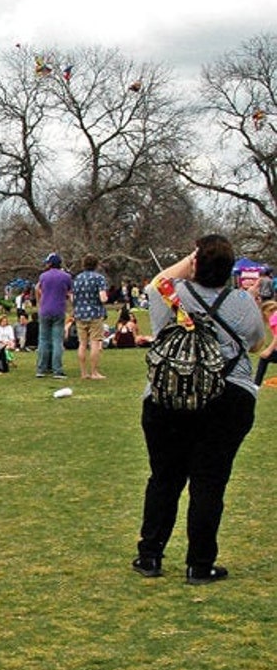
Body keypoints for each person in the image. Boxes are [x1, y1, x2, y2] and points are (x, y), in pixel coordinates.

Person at [134, 235, 265, 584]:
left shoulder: (170, 295)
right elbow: (256, 343)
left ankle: (150, 555)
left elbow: (154, 284)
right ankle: (200, 562)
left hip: (168, 399)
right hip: (227, 398)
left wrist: (189, 262)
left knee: (164, 478)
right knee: (209, 483)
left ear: (194, 263)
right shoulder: (241, 302)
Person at [72, 255, 109, 380]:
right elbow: (103, 297)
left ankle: (84, 372)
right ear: (96, 265)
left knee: (82, 343)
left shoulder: (77, 278)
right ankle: (94, 372)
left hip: (80, 313)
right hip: (95, 313)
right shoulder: (99, 278)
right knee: (94, 342)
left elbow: (73, 298)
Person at [35, 253, 72, 378]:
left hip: (45, 310)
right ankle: (57, 370)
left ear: (50, 263)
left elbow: (38, 289)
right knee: (57, 340)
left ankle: (41, 369)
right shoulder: (66, 276)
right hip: (59, 310)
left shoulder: (43, 276)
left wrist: (39, 303)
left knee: (43, 340)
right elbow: (69, 292)